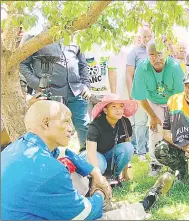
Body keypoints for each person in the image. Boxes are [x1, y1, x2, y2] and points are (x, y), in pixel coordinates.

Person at [1, 100, 175, 220]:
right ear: (46, 123)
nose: (71, 128)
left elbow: (66, 152)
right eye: (66, 122)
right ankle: (148, 201)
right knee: (104, 216)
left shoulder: (17, 147)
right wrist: (100, 192)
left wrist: (95, 173)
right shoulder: (49, 171)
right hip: (64, 213)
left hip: (35, 210)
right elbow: (84, 216)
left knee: (77, 173)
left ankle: (113, 204)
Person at [19, 25, 91, 149]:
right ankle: (51, 161)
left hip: (76, 91)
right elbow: (22, 64)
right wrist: (37, 83)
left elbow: (83, 64)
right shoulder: (36, 36)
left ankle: (89, 161)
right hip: (50, 93)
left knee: (85, 127)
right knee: (50, 130)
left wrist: (86, 85)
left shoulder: (74, 35)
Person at [131, 39, 185, 176]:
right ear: (147, 55)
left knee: (175, 129)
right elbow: (140, 96)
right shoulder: (142, 69)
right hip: (153, 102)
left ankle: (177, 162)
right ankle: (155, 164)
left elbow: (180, 96)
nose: (156, 58)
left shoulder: (174, 67)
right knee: (155, 130)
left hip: (172, 101)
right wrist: (153, 116)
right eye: (152, 55)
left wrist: (173, 117)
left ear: (166, 53)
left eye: (159, 54)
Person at [80, 94, 138, 185]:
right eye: (114, 107)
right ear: (105, 110)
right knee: (101, 164)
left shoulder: (124, 122)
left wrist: (125, 173)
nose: (118, 110)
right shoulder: (96, 125)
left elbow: (128, 145)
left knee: (128, 147)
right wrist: (97, 177)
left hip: (110, 155)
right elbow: (90, 152)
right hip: (92, 156)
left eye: (121, 106)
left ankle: (113, 176)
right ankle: (95, 178)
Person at [126, 26, 153, 162]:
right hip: (140, 92)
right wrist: (132, 95)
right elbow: (129, 74)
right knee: (141, 123)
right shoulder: (134, 52)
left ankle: (152, 149)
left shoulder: (155, 50)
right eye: (144, 37)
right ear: (140, 37)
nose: (147, 39)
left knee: (154, 121)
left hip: (154, 93)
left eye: (149, 36)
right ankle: (140, 151)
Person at [85, 47, 118, 120]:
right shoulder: (83, 47)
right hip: (87, 93)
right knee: (86, 124)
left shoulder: (108, 49)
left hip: (104, 94)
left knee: (103, 122)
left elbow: (112, 71)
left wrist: (113, 94)